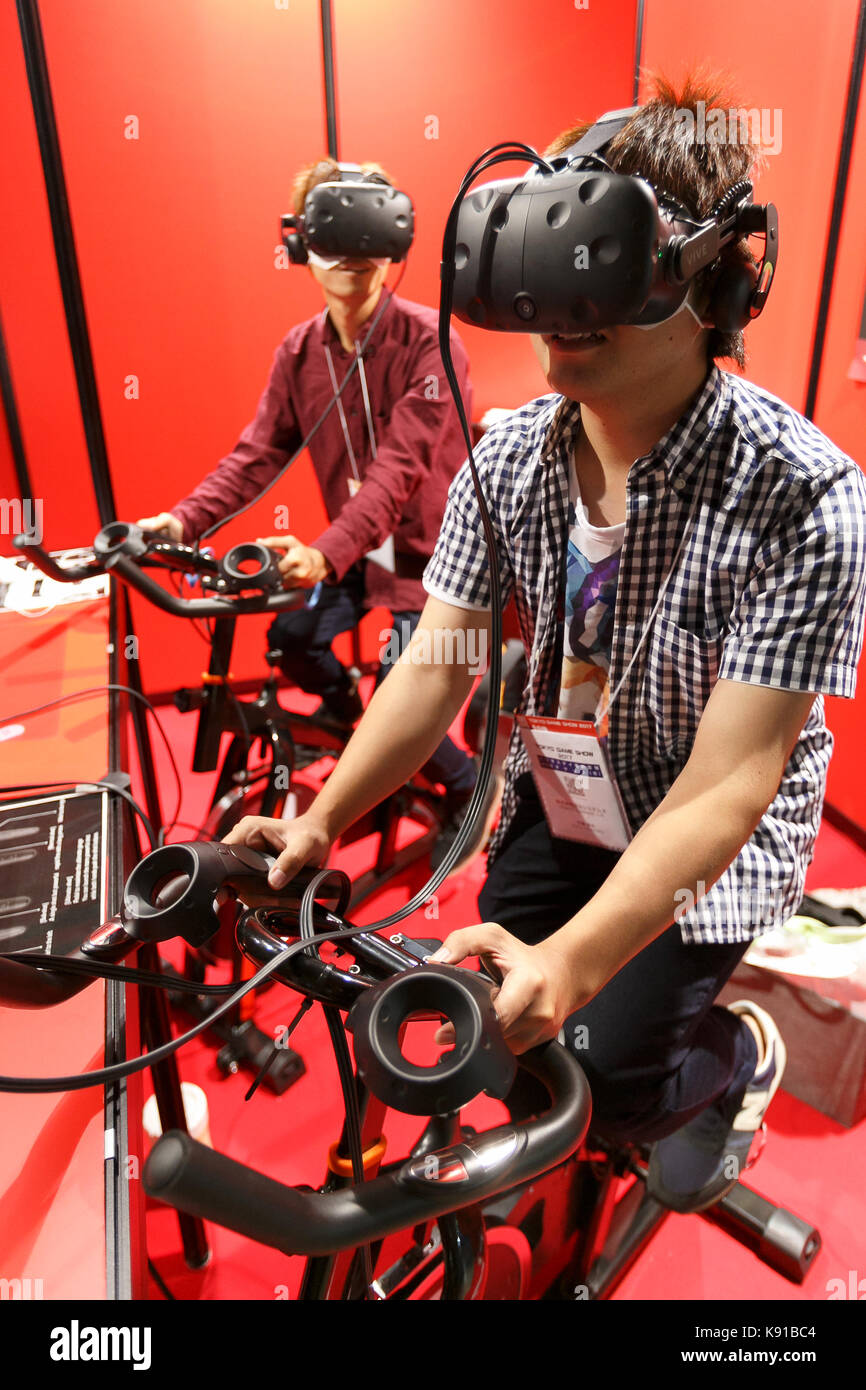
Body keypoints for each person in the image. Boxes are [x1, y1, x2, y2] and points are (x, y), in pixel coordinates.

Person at [223, 81, 866, 1213]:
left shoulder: (808, 501)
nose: (562, 307)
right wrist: (322, 819)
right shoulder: (510, 455)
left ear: (714, 279)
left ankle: (743, 1056)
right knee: (486, 1023)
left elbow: (727, 784)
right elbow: (435, 664)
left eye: (602, 261)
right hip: (566, 799)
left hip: (703, 841)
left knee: (610, 1086)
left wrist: (574, 965)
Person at [138, 157, 492, 870]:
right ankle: (356, 719)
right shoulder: (298, 353)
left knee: (409, 691)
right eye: (332, 237)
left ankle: (466, 793)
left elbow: (399, 470)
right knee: (295, 639)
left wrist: (325, 551)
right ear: (302, 245)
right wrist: (182, 521)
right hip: (359, 554)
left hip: (437, 560)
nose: (350, 260)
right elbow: (255, 455)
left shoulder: (430, 341)